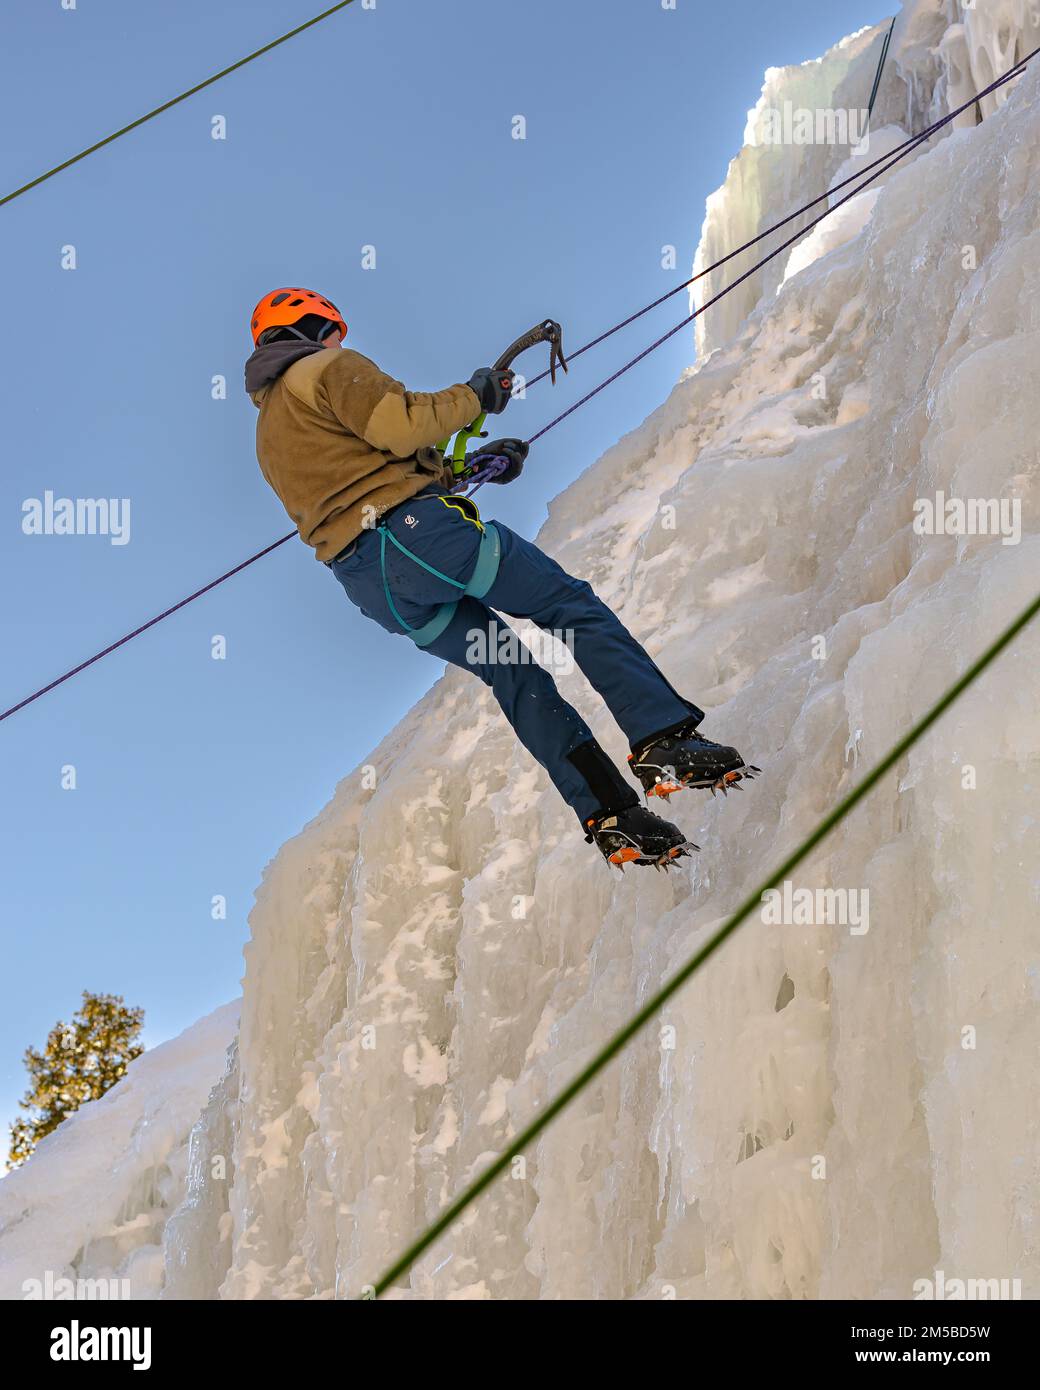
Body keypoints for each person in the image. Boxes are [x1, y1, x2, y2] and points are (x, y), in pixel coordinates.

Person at [244, 286, 756, 868]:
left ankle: (613, 816)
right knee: (568, 605)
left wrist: (466, 468)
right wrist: (476, 394)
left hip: (374, 585)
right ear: (314, 326)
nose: (342, 342)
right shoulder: (326, 366)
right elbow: (400, 425)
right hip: (418, 537)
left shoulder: (268, 431)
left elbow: (361, 479)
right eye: (334, 331)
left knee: (511, 672)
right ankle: (664, 738)